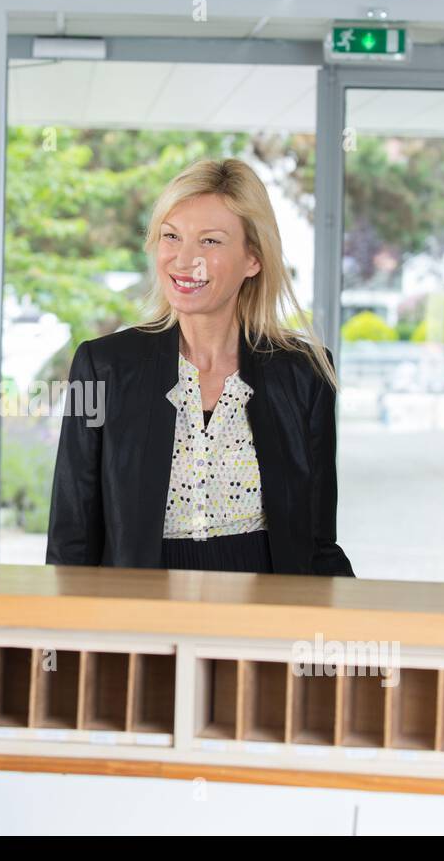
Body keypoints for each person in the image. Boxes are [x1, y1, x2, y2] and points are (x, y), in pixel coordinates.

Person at [46, 158, 353, 577]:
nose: (184, 260)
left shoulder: (306, 375)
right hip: (139, 619)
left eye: (209, 242)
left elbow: (317, 543)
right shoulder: (97, 367)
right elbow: (71, 536)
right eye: (171, 236)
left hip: (265, 618)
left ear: (253, 260)